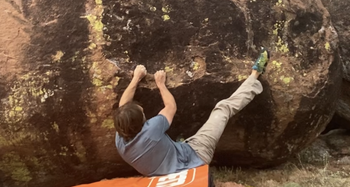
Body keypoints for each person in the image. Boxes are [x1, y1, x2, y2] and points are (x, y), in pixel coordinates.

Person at [113, 48, 269, 176]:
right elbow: (170, 107)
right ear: (141, 124)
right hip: (196, 157)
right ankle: (254, 77)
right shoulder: (151, 130)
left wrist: (136, 78)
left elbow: (123, 106)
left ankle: (179, 146)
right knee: (222, 109)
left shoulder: (121, 141)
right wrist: (160, 84)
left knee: (176, 142)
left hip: (169, 171)